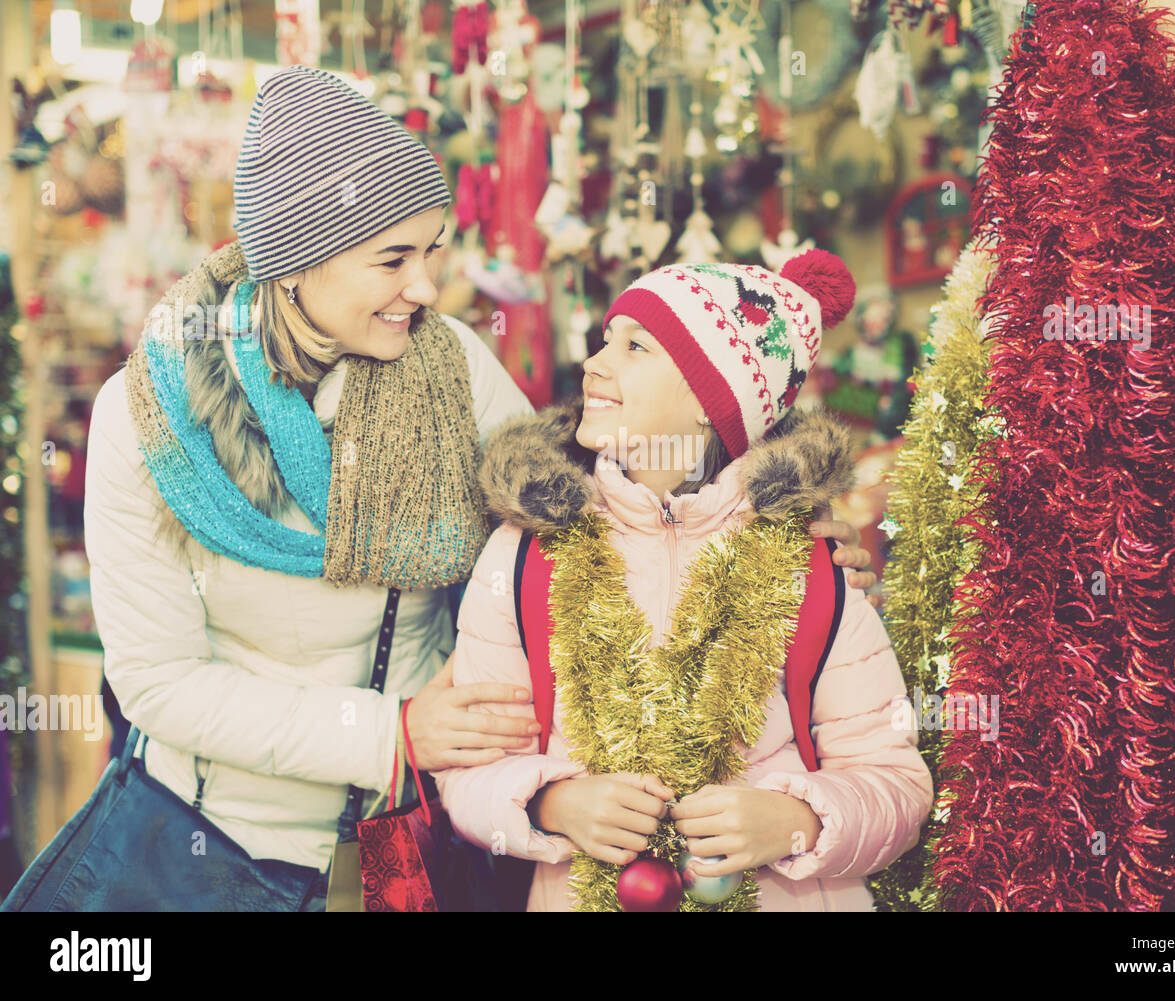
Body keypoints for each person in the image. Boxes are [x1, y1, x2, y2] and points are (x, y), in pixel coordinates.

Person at [21, 66, 877, 911]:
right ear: (295, 261)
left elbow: (591, 509)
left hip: (412, 845)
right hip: (216, 847)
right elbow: (162, 682)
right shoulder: (149, 418)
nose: (425, 289)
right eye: (392, 259)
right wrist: (387, 734)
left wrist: (771, 546)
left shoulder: (447, 365)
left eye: (432, 251)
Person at [436, 251, 933, 911]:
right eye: (605, 338)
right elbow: (470, 771)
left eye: (635, 346)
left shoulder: (811, 556)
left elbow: (897, 783)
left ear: (711, 402)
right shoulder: (525, 553)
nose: (594, 362)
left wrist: (797, 819)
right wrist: (553, 802)